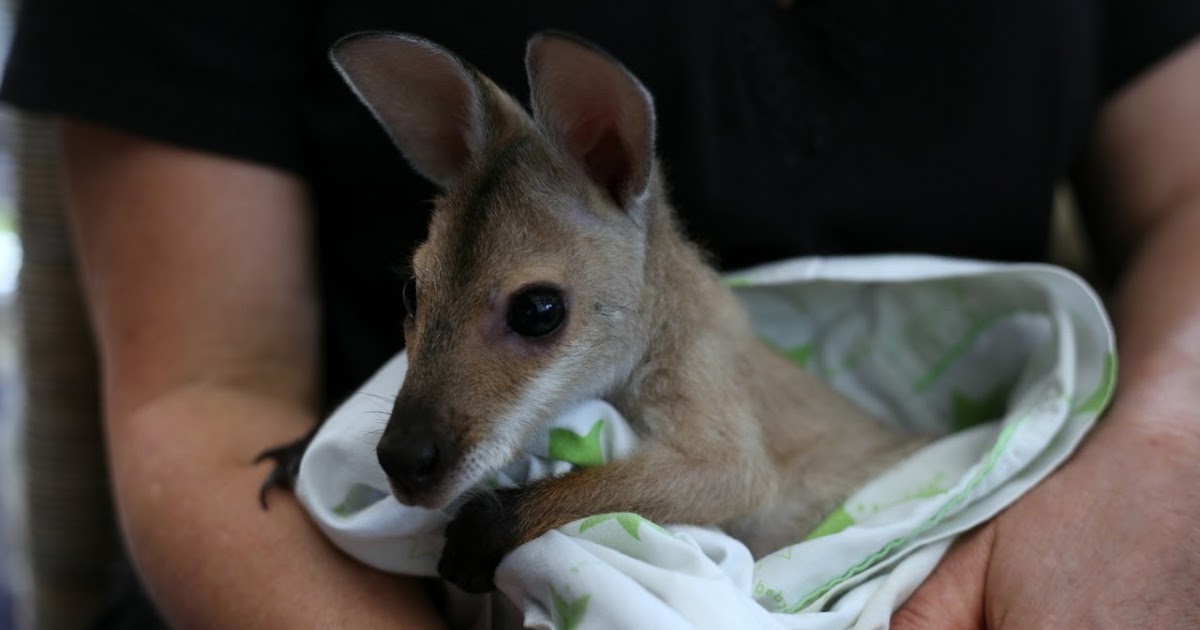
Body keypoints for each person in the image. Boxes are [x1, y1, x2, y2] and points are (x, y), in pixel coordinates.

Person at [3, 1, 1198, 627]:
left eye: (532, 314)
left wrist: (528, 512)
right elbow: (200, 394)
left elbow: (723, 475)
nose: (439, 373)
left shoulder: (677, 316)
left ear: (617, 163)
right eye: (424, 303)